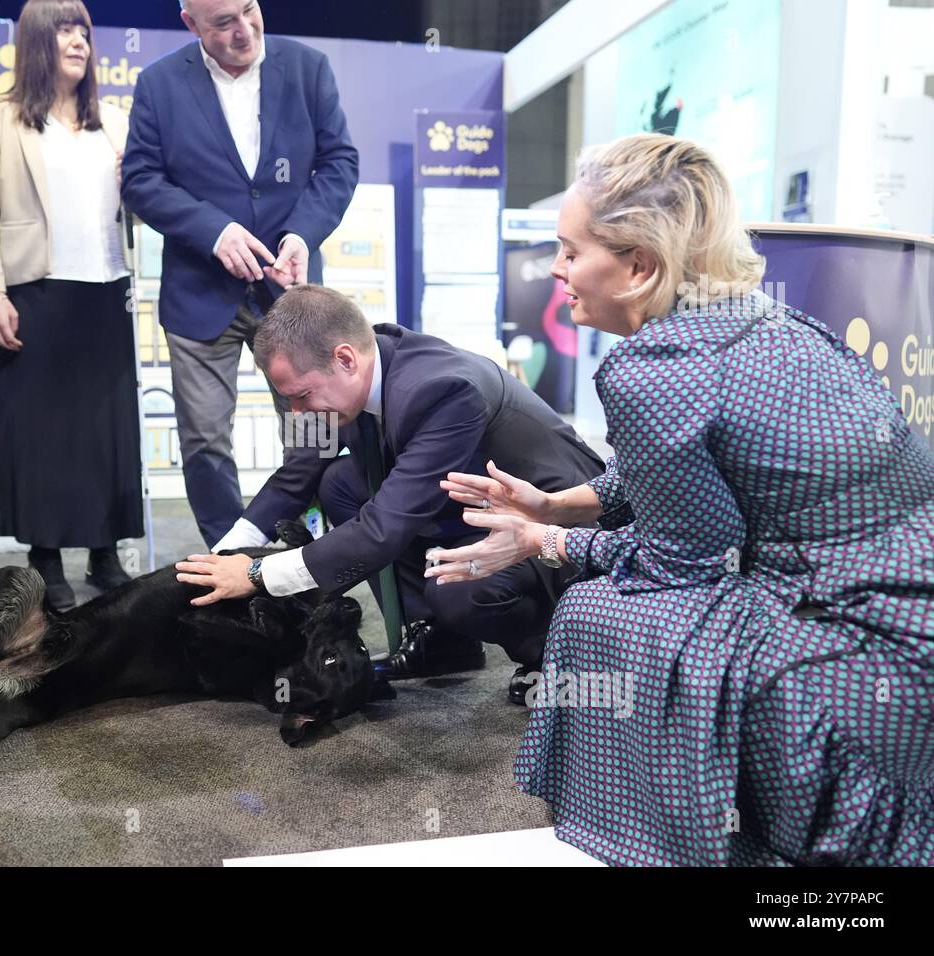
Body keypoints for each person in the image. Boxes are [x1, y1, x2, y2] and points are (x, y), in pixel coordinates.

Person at [429, 134, 934, 865]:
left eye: (571, 252)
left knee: (595, 610)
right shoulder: (766, 319)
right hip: (911, 607)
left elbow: (685, 563)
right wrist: (555, 505)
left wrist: (545, 544)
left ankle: (664, 836)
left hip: (857, 632)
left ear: (638, 265)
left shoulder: (650, 366)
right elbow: (674, 469)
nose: (559, 273)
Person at [173, 285, 606, 688]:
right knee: (339, 482)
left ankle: (550, 658)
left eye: (301, 395)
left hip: (559, 520)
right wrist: (222, 558)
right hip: (469, 503)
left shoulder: (441, 389)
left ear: (345, 359)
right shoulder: (359, 367)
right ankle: (441, 642)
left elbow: (383, 528)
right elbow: (294, 478)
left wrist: (257, 575)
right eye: (287, 398)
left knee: (455, 591)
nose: (296, 411)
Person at [121, 0, 359, 548]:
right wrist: (214, 231)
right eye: (223, 21)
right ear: (191, 24)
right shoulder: (158, 84)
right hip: (200, 294)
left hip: (292, 292)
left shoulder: (308, 68)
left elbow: (340, 161)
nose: (244, 29)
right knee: (205, 439)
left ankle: (307, 553)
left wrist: (302, 233)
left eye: (249, 10)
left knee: (313, 431)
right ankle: (230, 555)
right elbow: (140, 179)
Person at [0, 0, 142, 611]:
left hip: (107, 288)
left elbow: (141, 203)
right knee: (42, 432)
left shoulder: (114, 121)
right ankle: (45, 556)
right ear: (37, 42)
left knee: (104, 429)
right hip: (34, 289)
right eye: (65, 30)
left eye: (85, 31)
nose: (78, 42)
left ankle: (105, 550)